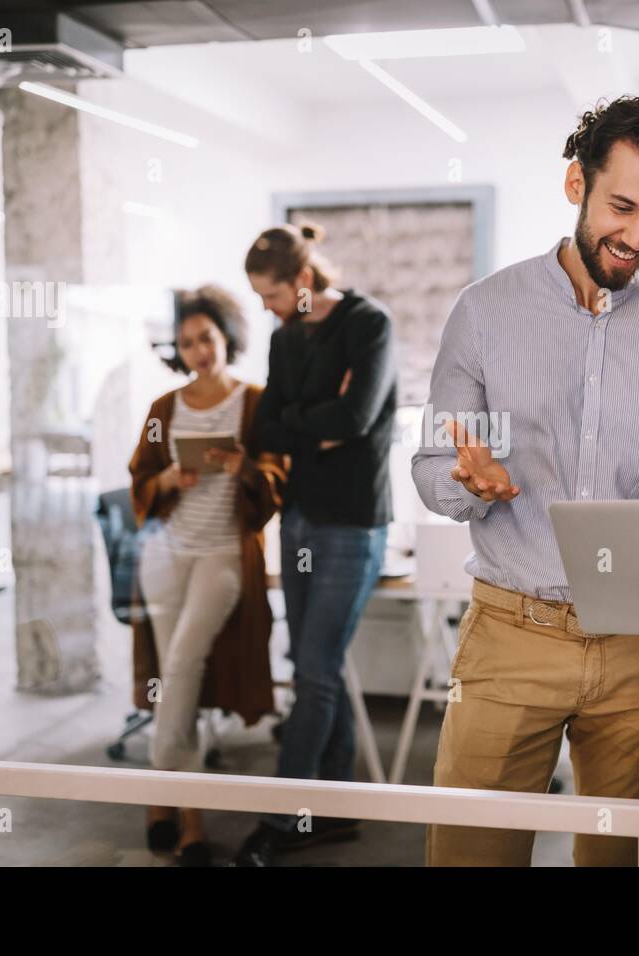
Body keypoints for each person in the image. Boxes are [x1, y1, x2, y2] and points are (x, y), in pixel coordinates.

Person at [412, 96, 639, 866]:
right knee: (469, 855)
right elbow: (431, 468)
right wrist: (472, 484)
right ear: (574, 184)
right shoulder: (485, 312)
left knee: (616, 862)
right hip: (511, 635)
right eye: (622, 206)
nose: (638, 236)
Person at [234, 223, 398, 867]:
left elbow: (356, 418)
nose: (265, 309)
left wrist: (309, 424)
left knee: (314, 670)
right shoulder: (284, 338)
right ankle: (334, 809)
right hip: (299, 517)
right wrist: (315, 425)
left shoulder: (368, 324)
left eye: (270, 294)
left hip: (353, 522)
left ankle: (286, 817)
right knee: (312, 662)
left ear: (302, 281)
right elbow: (263, 430)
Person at [128, 285, 286, 867]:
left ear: (227, 339)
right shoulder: (162, 411)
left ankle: (157, 794)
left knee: (181, 665)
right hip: (166, 553)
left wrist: (243, 465)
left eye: (207, 339)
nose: (198, 350)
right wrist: (168, 481)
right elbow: (141, 480)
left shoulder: (255, 403)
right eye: (188, 342)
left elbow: (275, 482)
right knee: (177, 683)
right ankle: (187, 817)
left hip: (223, 553)